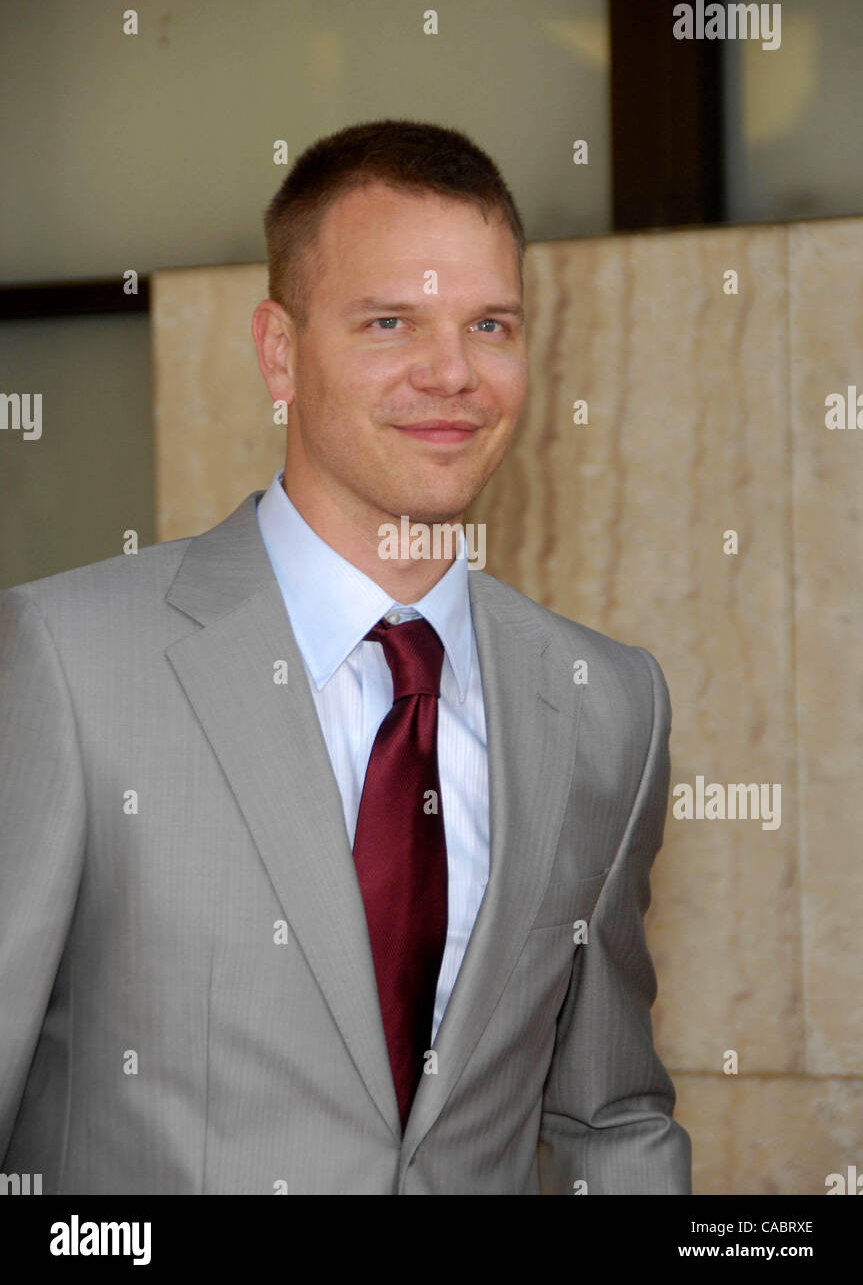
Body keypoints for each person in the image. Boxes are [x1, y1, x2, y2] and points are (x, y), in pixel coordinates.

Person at [0, 119, 691, 1194]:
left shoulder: (607, 705)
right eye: (389, 321)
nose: (452, 373)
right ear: (279, 350)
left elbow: (608, 1115)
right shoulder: (68, 663)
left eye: (490, 325)